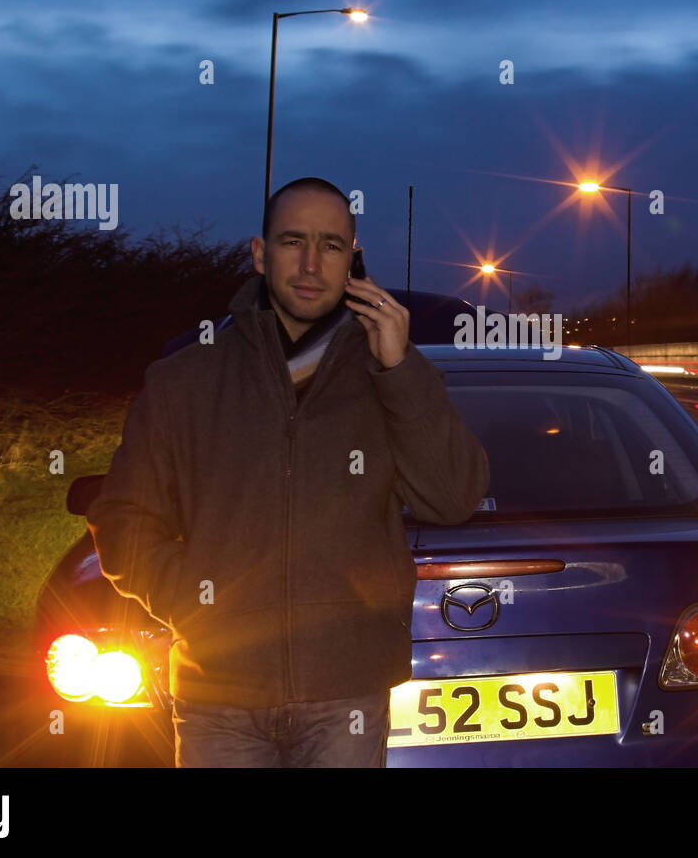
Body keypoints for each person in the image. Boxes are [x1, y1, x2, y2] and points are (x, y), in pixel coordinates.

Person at [87, 176, 490, 767]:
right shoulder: (185, 380)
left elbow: (453, 497)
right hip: (216, 700)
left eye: (330, 245)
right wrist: (192, 602)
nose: (309, 263)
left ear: (353, 259)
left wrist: (400, 368)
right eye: (291, 241)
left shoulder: (390, 374)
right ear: (259, 253)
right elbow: (123, 518)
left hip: (346, 697)